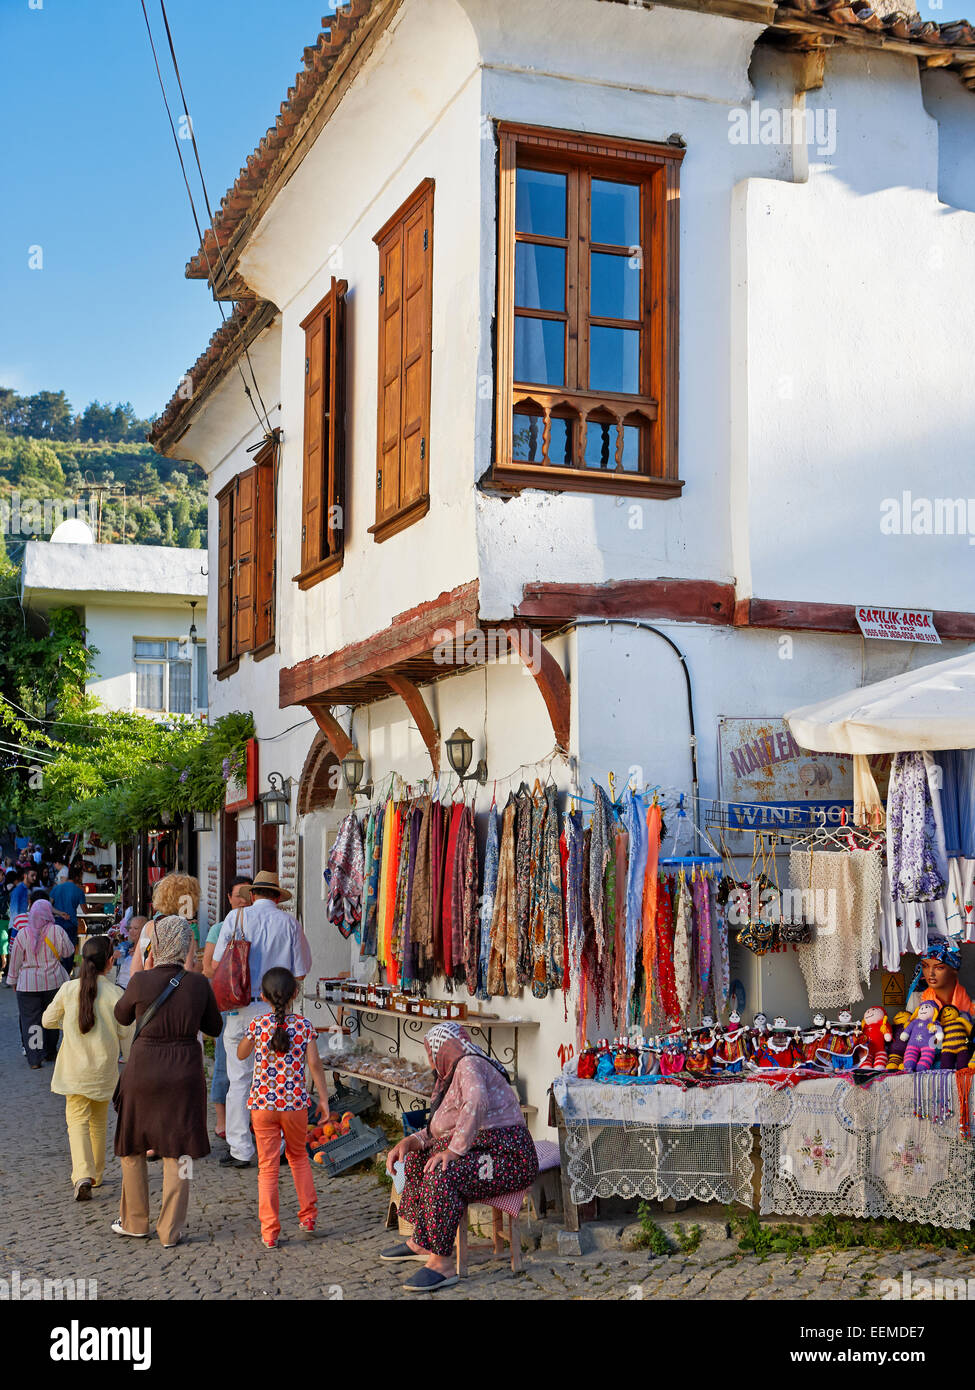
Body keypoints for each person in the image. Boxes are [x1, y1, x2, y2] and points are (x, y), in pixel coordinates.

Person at [382, 1022, 539, 1293]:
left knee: (442, 1173)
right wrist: (411, 1141)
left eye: (430, 1052)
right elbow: (442, 1126)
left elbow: (476, 1101)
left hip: (509, 1158)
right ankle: (422, 1241)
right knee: (421, 1159)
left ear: (442, 1050)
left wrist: (453, 1151)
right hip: (486, 1151)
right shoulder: (455, 1073)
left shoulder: (468, 1065)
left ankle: (442, 1264)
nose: (429, 1060)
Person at [112, 916, 222, 1247]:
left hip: (143, 1069)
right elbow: (214, 1028)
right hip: (184, 1072)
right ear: (188, 945)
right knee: (180, 1149)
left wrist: (144, 970)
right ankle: (169, 1231)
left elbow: (121, 1016)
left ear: (156, 945)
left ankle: (135, 1221)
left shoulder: (141, 982)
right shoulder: (199, 984)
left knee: (132, 1144)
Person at [212, 871, 311, 1167]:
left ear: (253, 894)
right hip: (276, 1012)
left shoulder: (236, 919)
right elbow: (302, 970)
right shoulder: (289, 923)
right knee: (277, 1077)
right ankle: (277, 1148)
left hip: (241, 1009)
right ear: (278, 897)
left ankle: (241, 1149)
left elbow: (218, 964)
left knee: (240, 1079)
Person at [236, 966, 329, 1248]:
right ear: (295, 994)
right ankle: (308, 1217)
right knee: (299, 1157)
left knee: (267, 1167)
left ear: (262, 996)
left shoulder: (259, 1025)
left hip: (262, 1105)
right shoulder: (304, 1026)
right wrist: (323, 1099)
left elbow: (241, 1054)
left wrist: (250, 1034)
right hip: (294, 1105)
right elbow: (314, 1065)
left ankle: (270, 1231)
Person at [41, 936, 134, 1200]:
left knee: (77, 1122)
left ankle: (82, 1174)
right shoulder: (116, 994)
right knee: (99, 1123)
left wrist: (68, 1025)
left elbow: (47, 1021)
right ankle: (96, 1175)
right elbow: (126, 1032)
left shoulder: (69, 989)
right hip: (103, 1071)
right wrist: (128, 1059)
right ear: (109, 962)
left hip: (73, 1071)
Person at [202, 876, 253, 1140]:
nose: (243, 899)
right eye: (238, 894)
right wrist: (237, 977)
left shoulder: (257, 924)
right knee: (224, 1062)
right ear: (229, 898)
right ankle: (223, 1120)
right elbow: (208, 967)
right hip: (229, 1003)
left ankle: (248, 1121)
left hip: (252, 1005)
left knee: (251, 1067)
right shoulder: (220, 928)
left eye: (248, 892)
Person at [6, 899, 74, 1069]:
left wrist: (12, 981)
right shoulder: (57, 930)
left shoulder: (23, 933)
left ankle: (35, 1058)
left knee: (31, 1021)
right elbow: (68, 952)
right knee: (52, 1018)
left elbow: (14, 961)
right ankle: (50, 1052)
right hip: (54, 982)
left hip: (28, 985)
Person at [130, 873, 201, 975]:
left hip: (149, 987)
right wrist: (201, 965)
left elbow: (134, 971)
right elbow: (187, 972)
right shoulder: (186, 929)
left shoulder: (149, 926)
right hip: (173, 989)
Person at [906, 937, 973, 1015]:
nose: (931, 973)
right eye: (925, 966)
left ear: (954, 970)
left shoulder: (970, 1000)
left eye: (939, 967)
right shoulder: (917, 999)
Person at [51, 865, 87, 973]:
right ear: (77, 877)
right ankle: (67, 975)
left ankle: (55, 973)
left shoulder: (56, 888)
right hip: (71, 924)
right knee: (70, 951)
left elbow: (49, 906)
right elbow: (85, 911)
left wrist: (59, 913)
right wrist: (98, 907)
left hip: (57, 923)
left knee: (56, 949)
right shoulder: (79, 891)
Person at [116, 915, 147, 990]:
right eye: (130, 928)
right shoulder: (125, 947)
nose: (131, 931)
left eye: (135, 928)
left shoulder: (148, 952)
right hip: (119, 989)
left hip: (134, 993)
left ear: (144, 931)